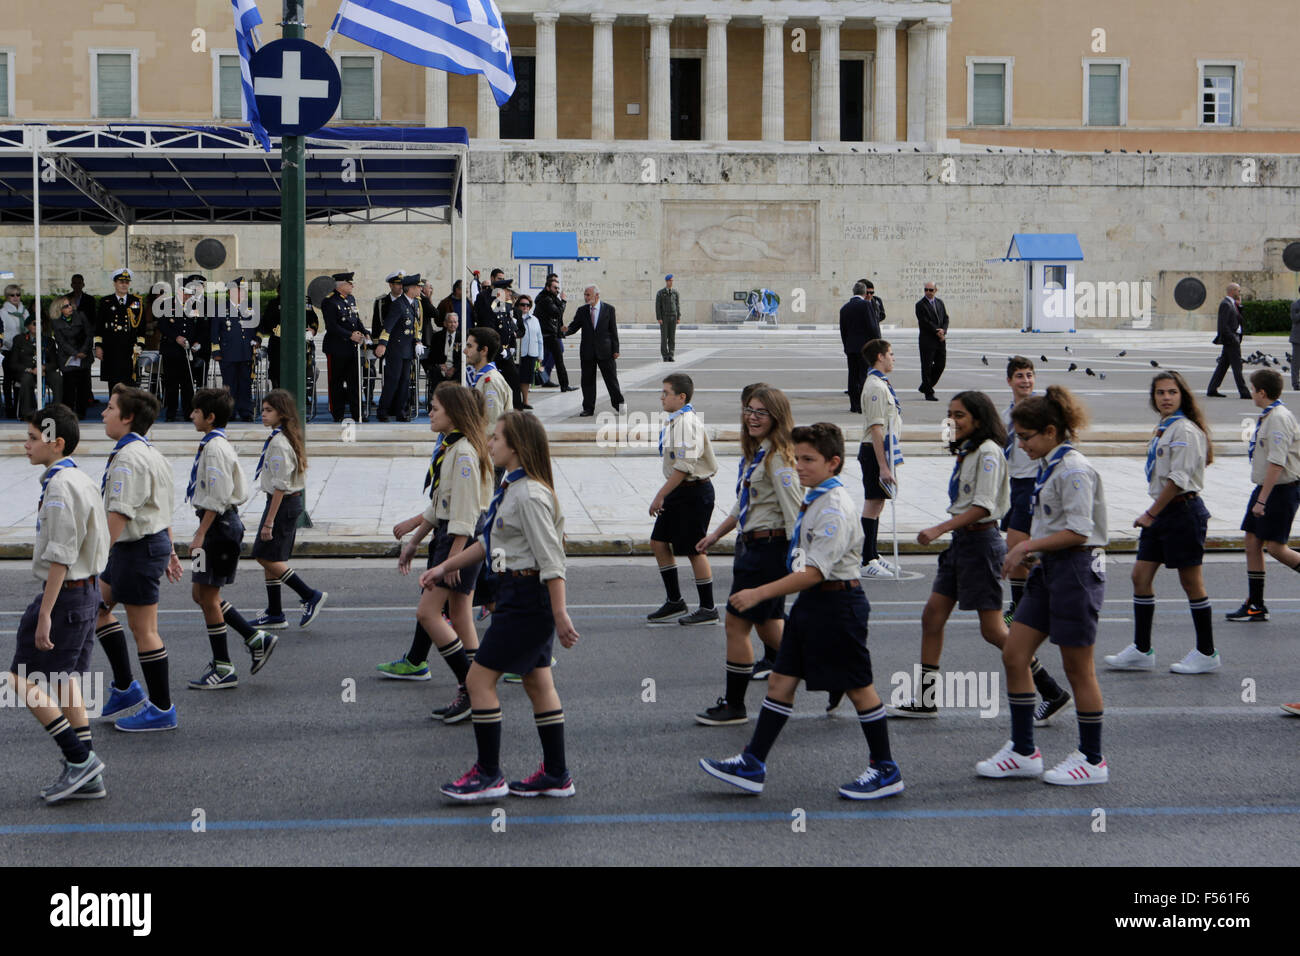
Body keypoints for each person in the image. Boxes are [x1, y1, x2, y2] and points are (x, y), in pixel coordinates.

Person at [699, 422, 904, 801]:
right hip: (813, 603)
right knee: (780, 682)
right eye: (797, 458)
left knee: (860, 688)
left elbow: (813, 572)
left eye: (809, 460)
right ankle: (753, 762)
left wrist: (759, 592)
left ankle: (885, 768)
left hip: (838, 604)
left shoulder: (836, 507)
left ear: (834, 463)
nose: (799, 467)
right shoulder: (813, 496)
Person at [429, 412, 580, 800]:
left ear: (516, 447)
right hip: (520, 594)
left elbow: (551, 559)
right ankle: (557, 773)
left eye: (496, 438)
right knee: (537, 681)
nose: (490, 443)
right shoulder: (513, 488)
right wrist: (445, 567)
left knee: (479, 680)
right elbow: (487, 542)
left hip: (528, 599)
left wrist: (560, 613)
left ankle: (489, 773)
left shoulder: (529, 495)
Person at [893, 391, 1069, 720]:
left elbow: (983, 507)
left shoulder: (988, 453)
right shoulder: (968, 450)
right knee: (932, 617)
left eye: (960, 415)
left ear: (978, 417)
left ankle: (1051, 690)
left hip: (980, 545)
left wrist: (938, 528)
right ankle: (925, 698)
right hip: (962, 544)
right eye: (950, 414)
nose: (953, 421)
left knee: (992, 630)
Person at [977, 385, 1110, 786]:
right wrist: (1032, 553)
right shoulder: (1049, 465)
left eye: (1026, 437)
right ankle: (1023, 750)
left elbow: (1079, 530)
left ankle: (1092, 759)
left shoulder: (1073, 470)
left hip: (1076, 571)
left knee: (1077, 668)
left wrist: (1027, 547)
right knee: (1015, 654)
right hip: (1049, 569)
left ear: (1051, 432)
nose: (1021, 444)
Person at [12, 404, 111, 803]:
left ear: (57, 443)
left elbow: (61, 554)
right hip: (85, 591)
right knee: (67, 678)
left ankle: (79, 759)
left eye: (34, 438)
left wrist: (45, 614)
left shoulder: (58, 487)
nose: (26, 445)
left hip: (66, 593)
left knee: (21, 678)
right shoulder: (78, 479)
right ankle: (85, 772)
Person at [383, 383, 494, 723]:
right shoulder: (454, 447)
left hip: (459, 539)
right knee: (459, 613)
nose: (429, 412)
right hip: (454, 537)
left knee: (428, 614)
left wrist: (450, 561)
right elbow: (438, 505)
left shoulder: (462, 454)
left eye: (435, 407)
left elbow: (462, 513)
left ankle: (471, 686)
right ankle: (482, 684)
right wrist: (415, 540)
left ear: (454, 413)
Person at [693, 384, 800, 725]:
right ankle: (827, 673)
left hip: (768, 551)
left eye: (761, 412)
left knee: (736, 625)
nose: (752, 418)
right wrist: (715, 535)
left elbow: (795, 512)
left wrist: (803, 562)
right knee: (768, 626)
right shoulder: (760, 454)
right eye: (749, 410)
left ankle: (735, 705)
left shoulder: (778, 458)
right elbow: (744, 505)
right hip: (752, 546)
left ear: (776, 417)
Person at [1104, 371, 1218, 674]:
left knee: (1191, 582)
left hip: (1182, 511)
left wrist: (1151, 513)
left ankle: (1207, 652)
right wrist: (1155, 513)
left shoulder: (1184, 430)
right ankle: (1142, 649)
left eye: (1171, 392)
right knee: (1140, 576)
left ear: (1182, 395)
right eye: (1159, 393)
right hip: (1163, 512)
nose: (1165, 398)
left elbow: (1178, 480)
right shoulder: (1164, 428)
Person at [95, 385, 183, 733]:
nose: (104, 413)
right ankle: (124, 687)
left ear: (128, 417)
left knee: (144, 630)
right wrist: (172, 550)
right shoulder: (149, 452)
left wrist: (93, 556)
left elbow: (120, 513)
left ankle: (162, 708)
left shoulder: (130, 458)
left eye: (111, 408)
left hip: (137, 548)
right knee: (95, 609)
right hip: (141, 545)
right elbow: (162, 507)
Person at [246, 389, 328, 630]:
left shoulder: (280, 444)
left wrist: (269, 521)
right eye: (262, 410)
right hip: (282, 502)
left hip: (282, 504)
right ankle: (274, 612)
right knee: (272, 556)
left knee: (263, 555)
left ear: (282, 414)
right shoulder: (280, 437)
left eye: (269, 411)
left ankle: (309, 595)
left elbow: (281, 486)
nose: (263, 414)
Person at [1224, 368, 1300, 623]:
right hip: (1267, 488)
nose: (1251, 394)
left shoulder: (1278, 418)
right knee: (1252, 541)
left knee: (1276, 548)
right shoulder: (1269, 415)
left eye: (1252, 389)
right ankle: (1255, 603)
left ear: (1262, 392)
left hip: (1279, 490)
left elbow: (1277, 464)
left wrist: (1261, 500)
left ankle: (1256, 603)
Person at [647, 373, 720, 627]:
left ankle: (708, 607)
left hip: (693, 492)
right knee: (658, 542)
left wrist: (660, 495)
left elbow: (684, 466)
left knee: (693, 549)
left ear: (681, 397)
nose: (661, 397)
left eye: (665, 393)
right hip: (681, 491)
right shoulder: (675, 420)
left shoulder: (687, 423)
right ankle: (675, 600)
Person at [858, 338, 902, 577]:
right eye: (891, 354)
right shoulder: (875, 387)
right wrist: (883, 466)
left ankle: (873, 553)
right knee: (873, 502)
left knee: (879, 502)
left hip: (883, 451)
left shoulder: (881, 383)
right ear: (880, 357)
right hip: (874, 451)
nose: (893, 358)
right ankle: (866, 560)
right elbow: (876, 428)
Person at [1002, 356, 1037, 623]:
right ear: (1010, 381)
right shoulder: (1006, 416)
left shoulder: (1042, 412)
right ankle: (1021, 604)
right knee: (1018, 548)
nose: (1025, 381)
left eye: (1029, 375)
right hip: (1015, 484)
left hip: (1035, 483)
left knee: (1016, 545)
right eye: (1020, 376)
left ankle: (1025, 607)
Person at [564, 284, 623, 417]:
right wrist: (565, 331)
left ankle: (620, 405)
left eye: (588, 294)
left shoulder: (609, 309)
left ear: (596, 295)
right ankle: (588, 408)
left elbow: (613, 331)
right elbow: (574, 326)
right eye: (585, 294)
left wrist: (616, 349)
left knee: (612, 381)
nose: (585, 297)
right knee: (587, 382)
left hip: (606, 352)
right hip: (587, 352)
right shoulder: (582, 310)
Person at [210, 277, 258, 422]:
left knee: (245, 383)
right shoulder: (220, 308)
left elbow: (258, 328)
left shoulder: (250, 307)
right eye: (240, 290)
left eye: (244, 291)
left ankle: (245, 411)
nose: (243, 293)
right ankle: (229, 411)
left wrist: (258, 340)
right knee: (229, 384)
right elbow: (214, 332)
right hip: (228, 353)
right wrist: (216, 352)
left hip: (246, 352)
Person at [320, 272, 367, 422]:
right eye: (350, 283)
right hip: (336, 348)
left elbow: (356, 320)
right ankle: (338, 413)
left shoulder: (351, 299)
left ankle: (356, 412)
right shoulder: (329, 301)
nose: (352, 286)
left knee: (354, 382)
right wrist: (349, 335)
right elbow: (332, 326)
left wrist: (365, 332)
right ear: (341, 285)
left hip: (352, 348)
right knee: (336, 382)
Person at [375, 274, 421, 422]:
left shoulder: (414, 303)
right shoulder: (399, 304)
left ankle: (401, 411)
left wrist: (418, 342)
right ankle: (383, 410)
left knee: (405, 381)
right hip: (395, 349)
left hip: (407, 349)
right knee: (393, 380)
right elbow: (388, 325)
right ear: (411, 289)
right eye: (418, 287)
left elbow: (415, 326)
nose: (420, 289)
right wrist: (382, 344)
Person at [94, 268, 145, 397]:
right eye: (121, 282)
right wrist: (98, 346)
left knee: (129, 382)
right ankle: (114, 407)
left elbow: (141, 326)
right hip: (111, 347)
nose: (124, 285)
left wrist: (140, 344)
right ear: (115, 283)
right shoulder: (106, 301)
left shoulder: (136, 301)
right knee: (113, 381)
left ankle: (128, 410)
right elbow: (99, 326)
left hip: (130, 347)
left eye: (126, 282)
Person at [159, 275, 204, 422]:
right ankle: (170, 412)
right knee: (171, 383)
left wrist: (197, 341)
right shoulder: (166, 304)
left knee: (188, 384)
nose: (188, 296)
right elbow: (163, 325)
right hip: (171, 350)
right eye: (185, 293)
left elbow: (198, 327)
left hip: (187, 352)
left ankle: (188, 412)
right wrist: (176, 337)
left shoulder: (195, 306)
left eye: (190, 293)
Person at [258, 291, 320, 392]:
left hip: (300, 343)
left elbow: (313, 318)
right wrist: (280, 330)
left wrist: (313, 329)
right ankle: (278, 394)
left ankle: (302, 394)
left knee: (301, 372)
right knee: (277, 372)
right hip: (279, 343)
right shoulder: (274, 303)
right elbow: (267, 322)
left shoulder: (305, 300)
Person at [839, 281, 879, 413]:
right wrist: (878, 343)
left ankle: (853, 405)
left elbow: (843, 331)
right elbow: (873, 326)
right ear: (864, 292)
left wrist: (846, 346)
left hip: (851, 348)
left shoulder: (844, 308)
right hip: (865, 348)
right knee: (863, 376)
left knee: (852, 375)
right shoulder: (866, 305)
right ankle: (862, 405)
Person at [47, 296, 92, 415]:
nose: (70, 307)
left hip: (84, 356)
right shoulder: (56, 322)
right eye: (66, 306)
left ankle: (82, 413)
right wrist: (75, 353)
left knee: (84, 386)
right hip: (67, 358)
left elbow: (89, 334)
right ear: (59, 309)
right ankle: (68, 413)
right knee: (69, 388)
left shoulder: (80, 316)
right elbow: (60, 341)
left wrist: (82, 351)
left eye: (70, 305)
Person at [464, 327, 512, 434]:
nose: (465, 351)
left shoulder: (491, 382)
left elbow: (492, 426)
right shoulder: (482, 377)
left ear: (484, 350)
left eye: (470, 346)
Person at [1207, 282, 1250, 399]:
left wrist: (1239, 306)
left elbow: (1238, 319)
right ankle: (1244, 392)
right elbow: (1223, 325)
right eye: (1238, 290)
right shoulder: (1225, 304)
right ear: (1232, 291)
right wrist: (1232, 338)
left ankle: (1212, 389)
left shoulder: (1232, 304)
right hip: (1231, 341)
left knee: (1223, 366)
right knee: (1237, 366)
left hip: (1232, 340)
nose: (1239, 293)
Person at [12, 315, 57, 420]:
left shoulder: (49, 341)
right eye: (35, 323)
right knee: (26, 379)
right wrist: (31, 370)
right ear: (28, 326)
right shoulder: (19, 339)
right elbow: (13, 363)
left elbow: (55, 363)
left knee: (57, 377)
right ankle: (27, 413)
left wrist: (44, 367)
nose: (38, 326)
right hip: (27, 372)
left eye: (40, 323)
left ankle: (55, 412)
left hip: (44, 371)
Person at [534, 274, 574, 391]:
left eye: (558, 287)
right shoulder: (546, 299)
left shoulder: (551, 297)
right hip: (548, 334)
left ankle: (546, 379)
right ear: (548, 287)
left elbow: (557, 316)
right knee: (558, 360)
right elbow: (557, 312)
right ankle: (564, 385)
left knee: (546, 358)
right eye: (555, 287)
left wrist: (561, 327)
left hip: (549, 333)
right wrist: (564, 301)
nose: (557, 290)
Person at [66, 274, 97, 413]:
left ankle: (86, 398)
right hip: (70, 342)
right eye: (75, 283)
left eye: (79, 283)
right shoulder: (65, 299)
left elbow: (93, 321)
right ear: (71, 284)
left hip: (85, 340)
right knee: (70, 373)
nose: (77, 285)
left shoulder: (90, 300)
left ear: (83, 284)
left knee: (85, 372)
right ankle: (71, 401)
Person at [915, 281, 949, 402]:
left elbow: (945, 318)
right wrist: (937, 331)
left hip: (940, 340)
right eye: (926, 290)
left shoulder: (940, 302)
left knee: (941, 364)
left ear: (936, 290)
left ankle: (925, 386)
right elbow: (924, 321)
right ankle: (929, 392)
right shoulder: (920, 305)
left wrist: (943, 331)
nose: (928, 292)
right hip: (927, 340)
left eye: (931, 290)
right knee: (927, 367)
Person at [2, 283, 30, 417]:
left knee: (21, 378)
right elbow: (3, 332)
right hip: (8, 349)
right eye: (12, 295)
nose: (15, 297)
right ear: (7, 297)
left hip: (24, 351)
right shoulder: (3, 312)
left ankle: (20, 406)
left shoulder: (25, 311)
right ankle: (8, 406)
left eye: (18, 295)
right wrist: (11, 345)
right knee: (8, 380)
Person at [516, 294, 542, 409]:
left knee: (527, 379)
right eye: (522, 305)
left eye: (527, 305)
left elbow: (539, 338)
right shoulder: (515, 319)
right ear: (518, 306)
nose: (525, 307)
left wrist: (540, 355)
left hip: (532, 353)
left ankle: (525, 401)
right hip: (518, 354)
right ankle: (517, 401)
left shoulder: (535, 320)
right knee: (517, 378)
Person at [429, 310, 463, 389]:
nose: (453, 324)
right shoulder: (437, 336)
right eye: (450, 322)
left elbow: (464, 357)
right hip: (440, 367)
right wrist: (440, 365)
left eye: (455, 322)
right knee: (435, 371)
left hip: (456, 368)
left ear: (458, 323)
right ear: (445, 323)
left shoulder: (463, 337)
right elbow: (432, 355)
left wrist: (454, 368)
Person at [656, 274, 680, 362]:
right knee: (664, 337)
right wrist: (659, 317)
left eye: (672, 280)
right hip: (664, 317)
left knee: (672, 337)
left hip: (673, 316)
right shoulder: (660, 293)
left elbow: (677, 305)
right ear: (666, 281)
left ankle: (671, 355)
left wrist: (678, 317)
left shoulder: (675, 292)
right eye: (670, 280)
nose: (671, 282)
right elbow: (658, 306)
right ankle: (665, 356)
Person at [1291, 285, 1300, 392]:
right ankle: (1295, 383)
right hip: (1298, 338)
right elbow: (1294, 319)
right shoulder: (1295, 304)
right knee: (1296, 362)